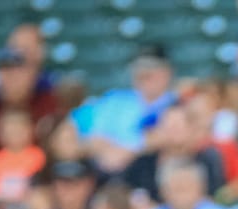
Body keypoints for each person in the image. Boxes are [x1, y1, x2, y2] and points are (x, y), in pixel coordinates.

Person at [73, 44, 177, 173]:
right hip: (109, 169)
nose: (145, 74)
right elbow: (92, 137)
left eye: (152, 68)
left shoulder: (178, 102)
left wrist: (129, 151)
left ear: (168, 72)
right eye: (140, 68)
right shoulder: (113, 101)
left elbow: (172, 137)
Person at [120, 104, 226, 204]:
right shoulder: (143, 163)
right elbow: (125, 193)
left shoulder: (207, 160)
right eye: (169, 126)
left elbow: (213, 198)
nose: (173, 131)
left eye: (178, 126)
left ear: (191, 129)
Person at [0, 47, 60, 158]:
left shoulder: (47, 100)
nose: (11, 77)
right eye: (5, 71)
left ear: (30, 73)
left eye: (16, 71)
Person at [0, 109, 47, 205]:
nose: (15, 135)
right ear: (0, 133)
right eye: (10, 130)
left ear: (30, 130)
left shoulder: (39, 156)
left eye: (19, 130)